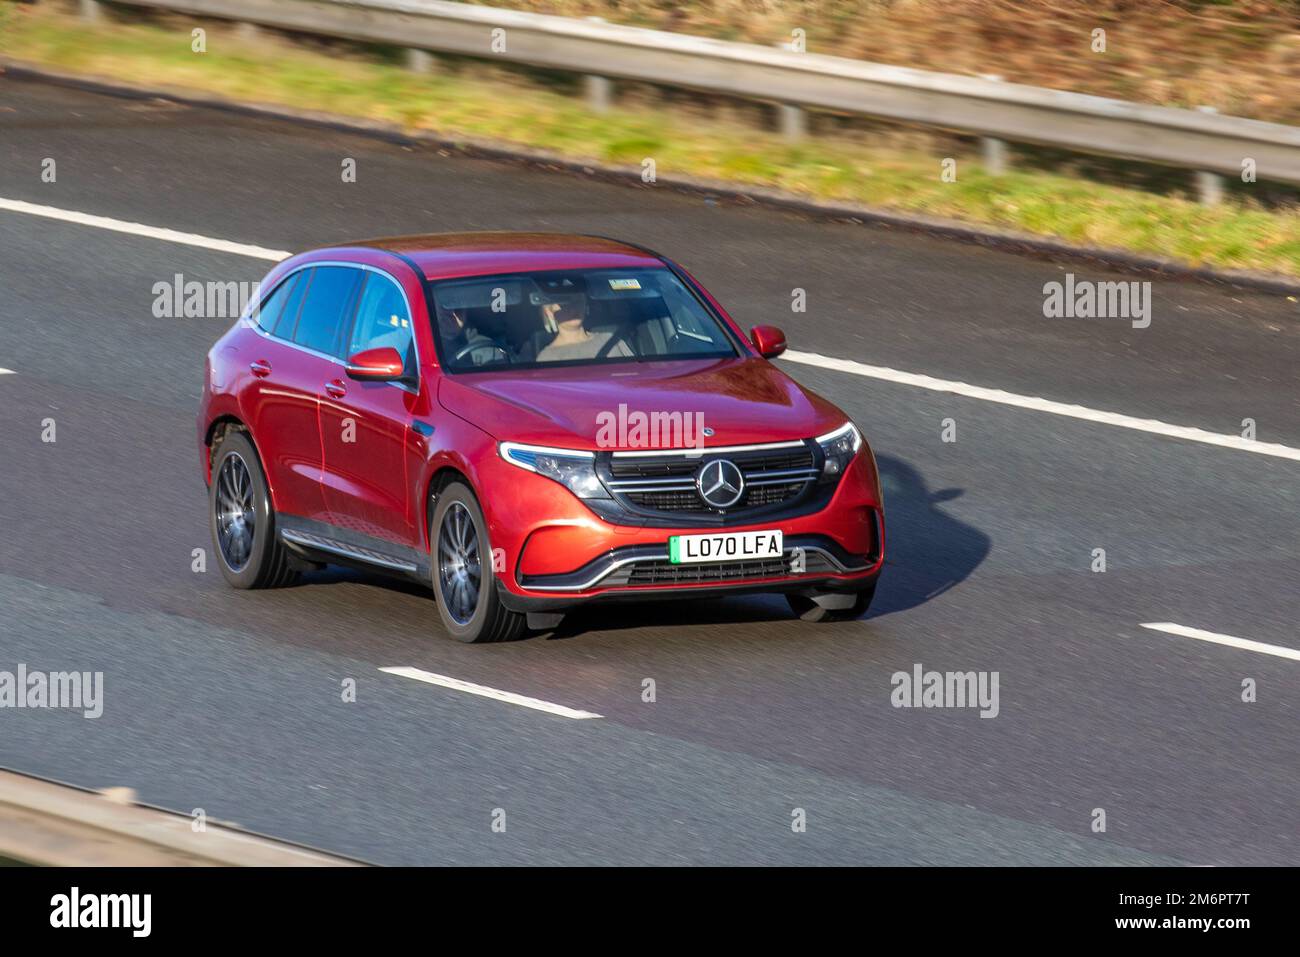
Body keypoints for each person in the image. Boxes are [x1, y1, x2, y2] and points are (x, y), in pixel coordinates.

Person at [535, 294, 632, 362]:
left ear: (585, 304)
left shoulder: (609, 339)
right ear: (549, 312)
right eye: (564, 304)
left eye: (577, 301)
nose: (573, 308)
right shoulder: (547, 357)